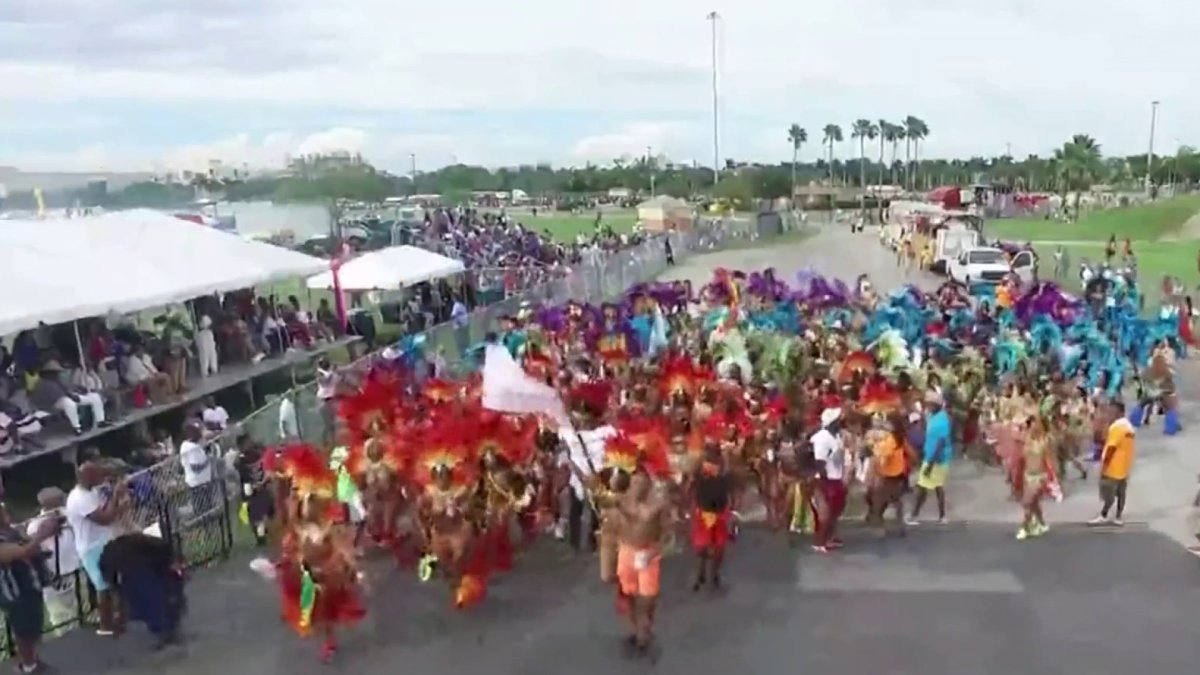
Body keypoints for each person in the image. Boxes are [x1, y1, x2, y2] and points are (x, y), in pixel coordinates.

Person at [65, 461, 127, 635]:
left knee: (113, 580)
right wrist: (115, 497)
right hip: (91, 547)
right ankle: (105, 625)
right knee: (103, 586)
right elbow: (104, 518)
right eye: (98, 474)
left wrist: (114, 502)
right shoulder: (78, 498)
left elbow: (105, 511)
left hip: (103, 540)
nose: (101, 478)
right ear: (88, 476)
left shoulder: (91, 492)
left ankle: (118, 617)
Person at [614, 471, 670, 659]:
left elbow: (667, 534)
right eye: (634, 481)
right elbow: (595, 489)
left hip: (648, 555)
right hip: (626, 553)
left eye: (641, 482)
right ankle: (637, 628)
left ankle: (644, 631)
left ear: (648, 485)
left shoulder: (658, 505)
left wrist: (653, 552)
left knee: (647, 600)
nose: (637, 485)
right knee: (628, 595)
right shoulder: (621, 500)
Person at [0, 502, 60, 673]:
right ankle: (28, 664)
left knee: (33, 624)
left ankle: (32, 658)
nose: (6, 514)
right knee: (23, 628)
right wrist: (42, 534)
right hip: (13, 591)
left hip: (29, 583)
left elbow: (27, 546)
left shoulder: (10, 531)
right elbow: (20, 552)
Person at [98, 533, 183, 650]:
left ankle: (164, 627)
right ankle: (164, 628)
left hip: (135, 561)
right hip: (133, 562)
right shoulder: (155, 550)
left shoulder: (153, 549)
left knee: (150, 595)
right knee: (150, 595)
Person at [27, 487, 79, 638]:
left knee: (75, 605)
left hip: (73, 568)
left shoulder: (69, 516)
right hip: (52, 574)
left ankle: (78, 630)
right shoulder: (35, 526)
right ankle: (65, 638)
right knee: (58, 611)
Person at [690, 446, 734, 590]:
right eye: (707, 461)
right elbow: (691, 491)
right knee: (701, 548)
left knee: (718, 548)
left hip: (720, 514)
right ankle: (701, 573)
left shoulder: (724, 477)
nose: (710, 465)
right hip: (704, 514)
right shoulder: (698, 476)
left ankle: (714, 574)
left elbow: (729, 494)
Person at [31, 361, 108, 435]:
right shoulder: (43, 383)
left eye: (56, 372)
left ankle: (100, 421)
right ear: (47, 373)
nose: (57, 373)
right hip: (52, 403)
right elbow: (55, 395)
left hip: (66, 397)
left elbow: (68, 389)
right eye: (54, 372)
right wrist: (71, 396)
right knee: (68, 403)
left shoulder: (58, 380)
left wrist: (75, 393)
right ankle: (77, 428)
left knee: (94, 397)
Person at [909, 393, 952, 525]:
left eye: (931, 404)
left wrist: (930, 464)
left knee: (923, 487)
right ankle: (942, 516)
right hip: (931, 455)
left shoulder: (942, 420)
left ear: (938, 405)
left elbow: (940, 443)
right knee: (937, 486)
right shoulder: (933, 416)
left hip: (937, 458)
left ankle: (914, 516)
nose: (928, 406)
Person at [1092, 402, 1135, 526]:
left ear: (1120, 413)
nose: (1110, 415)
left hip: (1113, 466)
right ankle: (1118, 517)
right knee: (1121, 493)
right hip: (1125, 466)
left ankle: (1104, 514)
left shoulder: (1116, 427)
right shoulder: (1129, 427)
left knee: (1108, 494)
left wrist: (1104, 464)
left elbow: (1111, 447)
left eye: (1112, 412)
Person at [810, 407, 847, 552]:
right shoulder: (822, 438)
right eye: (838, 419)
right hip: (825, 480)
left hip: (836, 477)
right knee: (825, 513)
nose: (841, 421)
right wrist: (824, 485)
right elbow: (820, 463)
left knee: (835, 511)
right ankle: (819, 542)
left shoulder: (835, 435)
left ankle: (829, 537)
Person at [179, 422, 216, 518]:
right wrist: (208, 461)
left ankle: (210, 518)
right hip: (197, 482)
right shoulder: (190, 448)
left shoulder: (194, 446)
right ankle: (202, 520)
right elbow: (195, 467)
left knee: (208, 504)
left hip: (203, 480)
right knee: (200, 507)